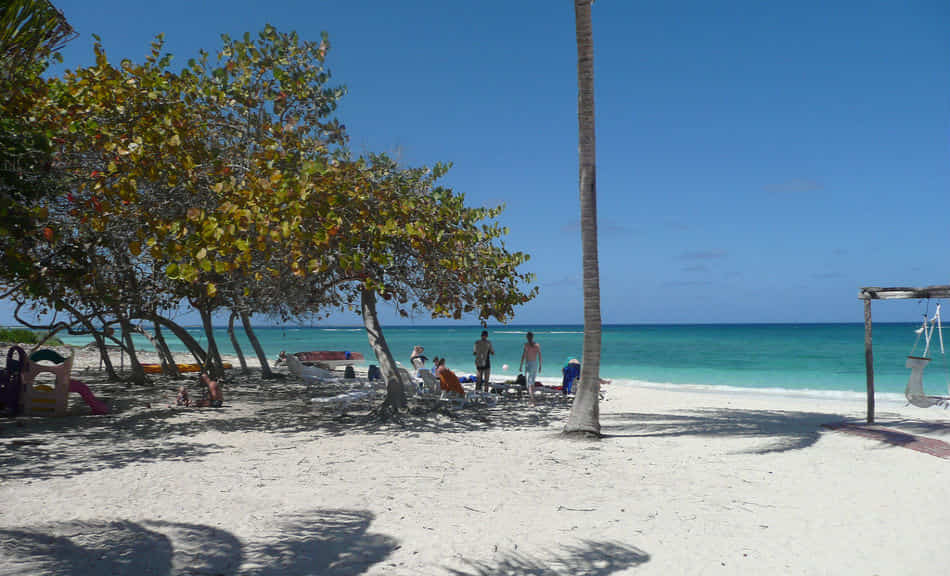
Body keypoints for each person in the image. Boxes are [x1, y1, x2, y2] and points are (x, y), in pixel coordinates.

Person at [519, 331, 542, 402]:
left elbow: (523, 356)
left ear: (527, 337)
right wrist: (540, 366)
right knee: (532, 382)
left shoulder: (526, 345)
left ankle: (532, 399)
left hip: (529, 364)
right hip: (535, 364)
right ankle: (532, 397)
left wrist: (521, 366)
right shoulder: (537, 345)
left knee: (529, 383)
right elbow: (540, 356)